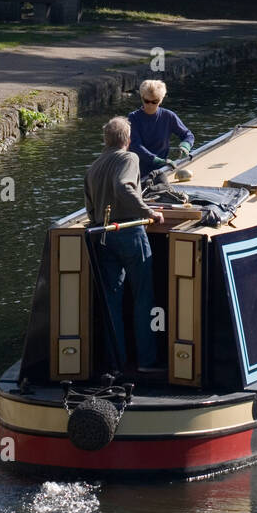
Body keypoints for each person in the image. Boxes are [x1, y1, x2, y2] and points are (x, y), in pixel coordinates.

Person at [84, 116, 164, 372]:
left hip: (103, 235)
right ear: (127, 140)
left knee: (112, 301)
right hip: (129, 231)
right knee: (143, 297)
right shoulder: (129, 158)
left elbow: (90, 208)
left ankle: (115, 363)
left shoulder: (93, 167)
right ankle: (147, 362)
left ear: (105, 140)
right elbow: (123, 186)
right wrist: (148, 211)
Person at [128, 80, 194, 178]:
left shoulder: (168, 116)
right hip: (138, 171)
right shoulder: (133, 118)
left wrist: (185, 147)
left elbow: (188, 135)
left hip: (161, 170)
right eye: (147, 101)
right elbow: (136, 145)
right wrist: (157, 160)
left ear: (161, 100)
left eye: (155, 101)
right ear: (142, 98)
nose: (150, 105)